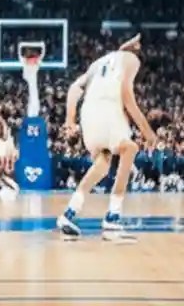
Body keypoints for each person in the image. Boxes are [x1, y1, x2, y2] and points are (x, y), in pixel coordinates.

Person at [57, 34, 156, 242]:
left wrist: (70, 119)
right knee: (130, 148)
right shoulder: (131, 59)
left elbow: (74, 88)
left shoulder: (98, 62)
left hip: (88, 113)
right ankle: (113, 217)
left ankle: (69, 213)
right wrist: (147, 130)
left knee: (102, 163)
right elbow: (127, 95)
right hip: (107, 107)